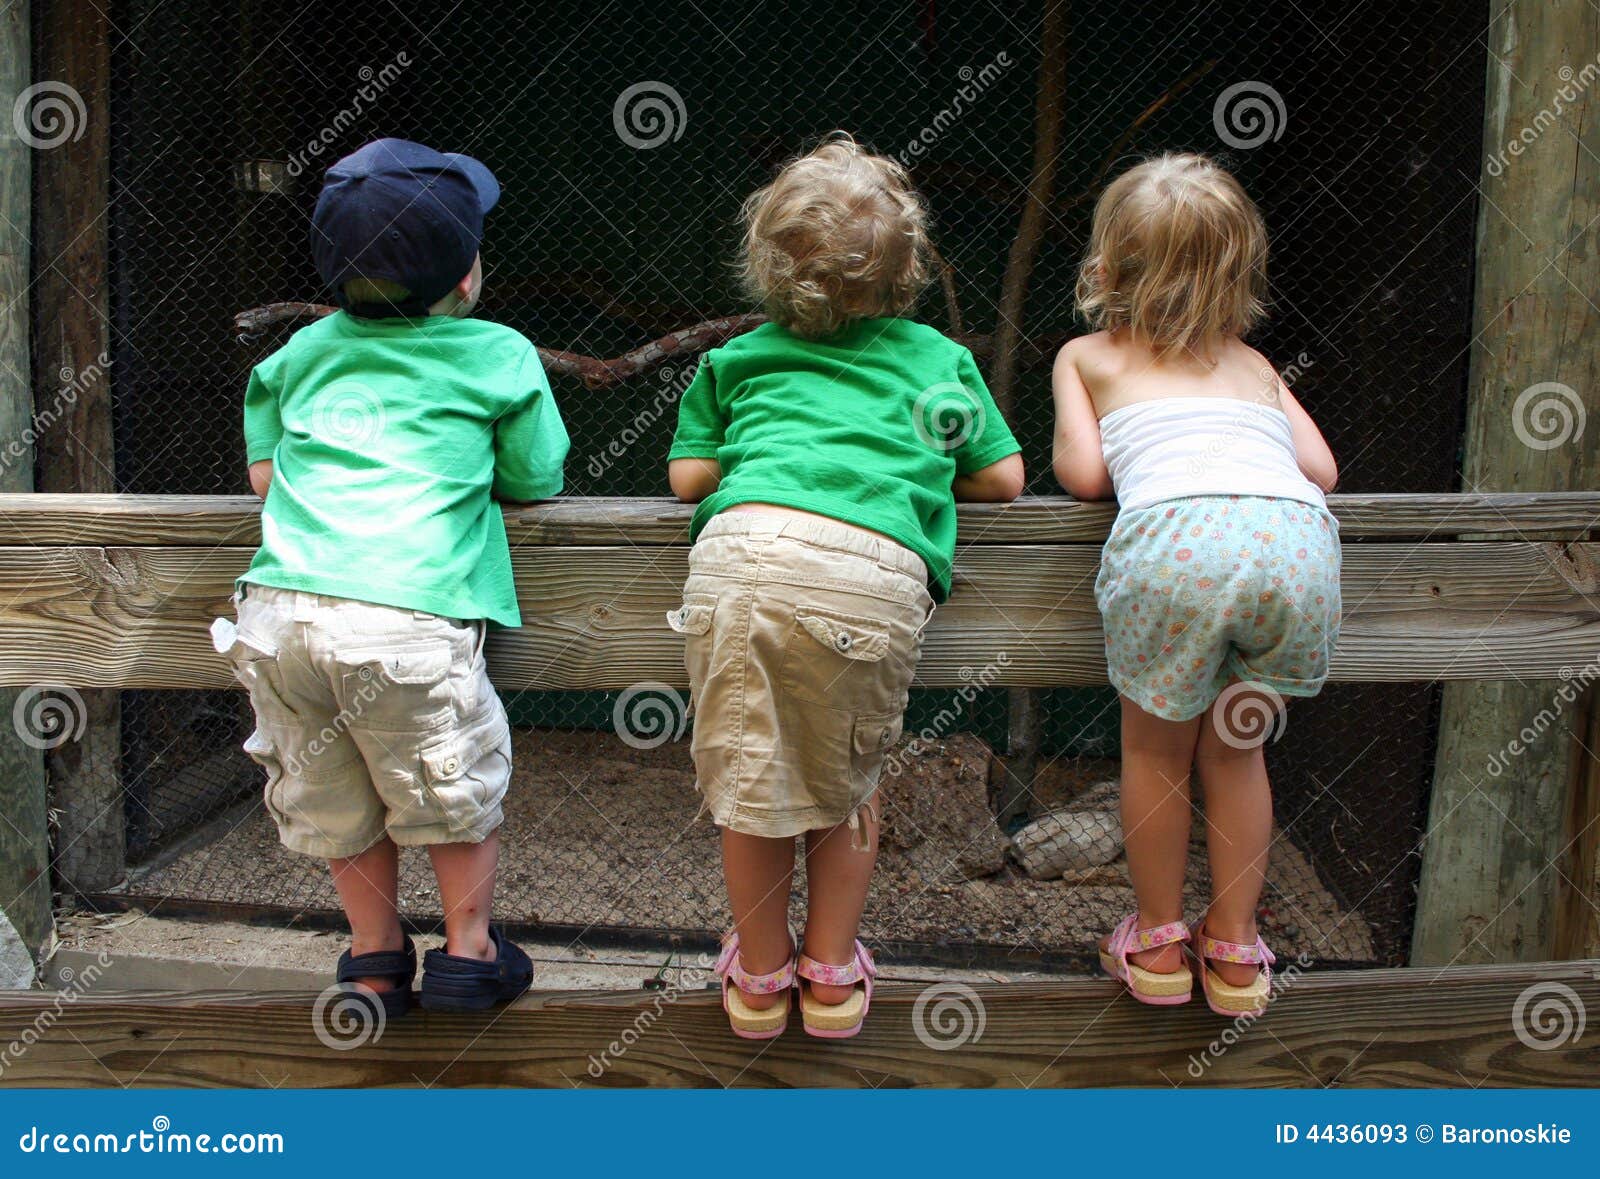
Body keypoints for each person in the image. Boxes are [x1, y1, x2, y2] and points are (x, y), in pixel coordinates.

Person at [667, 134, 1024, 1039]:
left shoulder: (737, 359)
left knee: (752, 785)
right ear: (907, 269)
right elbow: (1005, 479)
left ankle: (757, 976)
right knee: (847, 781)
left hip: (745, 558)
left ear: (769, 265)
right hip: (866, 579)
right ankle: (829, 975)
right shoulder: (937, 361)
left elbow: (689, 479)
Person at [215, 139, 568, 1015]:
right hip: (404, 623)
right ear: (463, 279)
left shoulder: (294, 357)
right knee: (448, 789)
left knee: (335, 794)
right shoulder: (498, 356)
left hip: (281, 620)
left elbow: (266, 482)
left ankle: (372, 957)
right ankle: (468, 955)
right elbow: (536, 477)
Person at [1053, 153, 1339, 1017]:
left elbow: (1082, 476)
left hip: (1177, 552)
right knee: (1237, 748)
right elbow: (1320, 467)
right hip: (1293, 553)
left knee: (1154, 752)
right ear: (1236, 274)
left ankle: (1158, 938)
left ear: (1105, 269)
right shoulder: (1254, 365)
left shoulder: (1090, 357)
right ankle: (1237, 949)